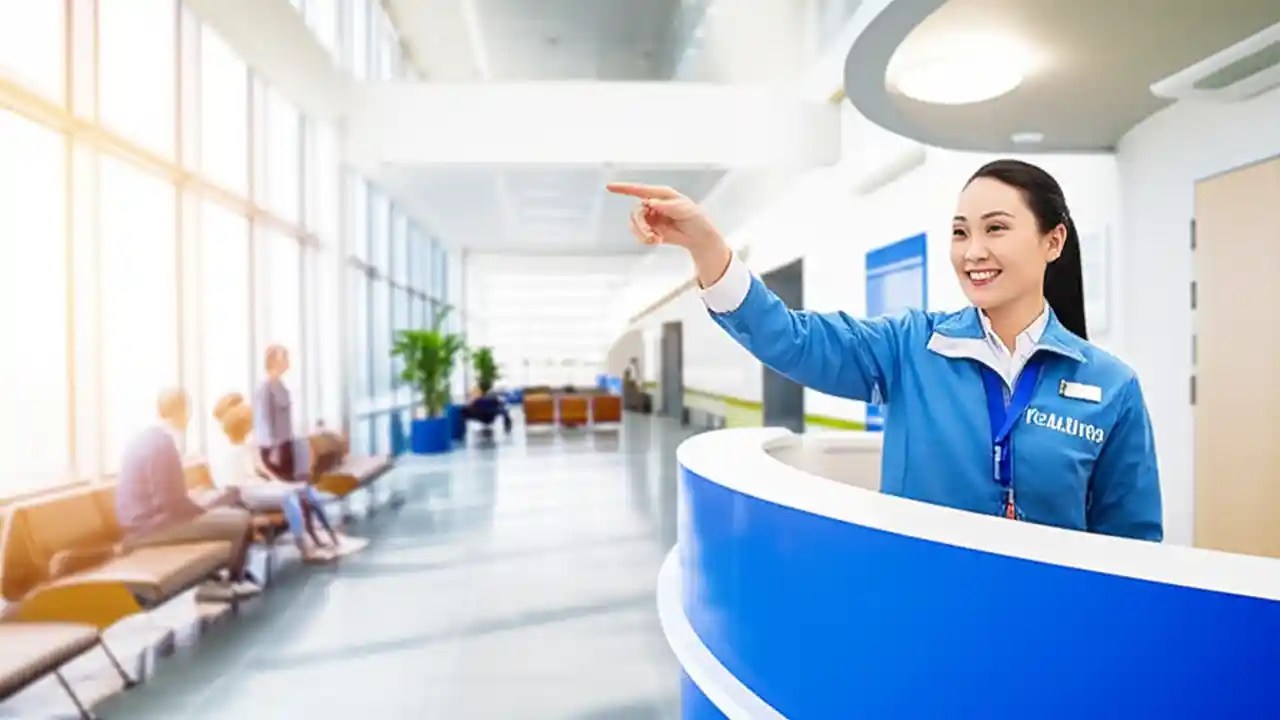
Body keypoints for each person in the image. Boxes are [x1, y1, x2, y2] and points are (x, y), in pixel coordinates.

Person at [607, 159, 1162, 541]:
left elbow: (1132, 546)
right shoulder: (911, 348)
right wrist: (708, 245)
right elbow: (791, 339)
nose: (973, 252)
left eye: (996, 229)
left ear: (1053, 241)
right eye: (960, 232)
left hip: (1049, 634)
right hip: (921, 617)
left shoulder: (1110, 387)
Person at [115, 388, 261, 601]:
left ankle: (219, 580)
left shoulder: (144, 438)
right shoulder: (164, 442)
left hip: (141, 523)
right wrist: (202, 510)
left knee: (223, 514)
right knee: (241, 519)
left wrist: (200, 508)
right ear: (182, 412)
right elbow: (171, 502)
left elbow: (164, 496)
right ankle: (230, 582)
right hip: (152, 528)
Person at [210, 394, 336, 563]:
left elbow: (261, 471)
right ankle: (304, 548)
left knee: (307, 490)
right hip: (247, 494)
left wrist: (278, 483)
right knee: (289, 498)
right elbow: (229, 486)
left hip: (260, 487)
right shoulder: (223, 452)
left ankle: (328, 535)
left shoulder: (248, 446)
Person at [255, 345, 298, 481]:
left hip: (284, 443)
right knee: (280, 484)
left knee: (289, 481)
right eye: (285, 358)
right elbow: (264, 418)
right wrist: (274, 447)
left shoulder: (279, 384)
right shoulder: (266, 387)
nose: (288, 362)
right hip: (274, 448)